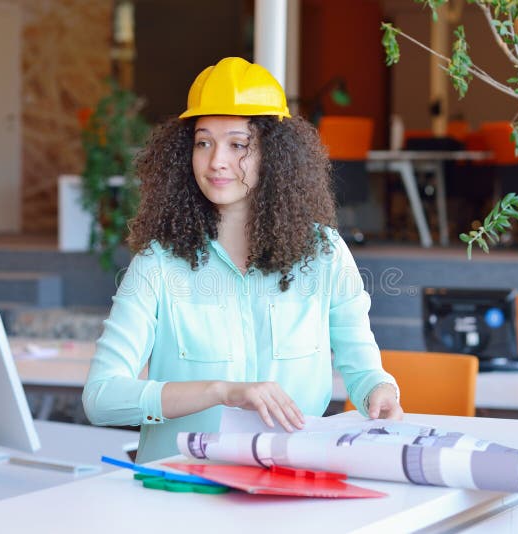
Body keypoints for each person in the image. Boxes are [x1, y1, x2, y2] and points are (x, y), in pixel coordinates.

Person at [82, 57, 403, 463]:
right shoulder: (157, 263)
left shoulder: (324, 253)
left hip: (286, 479)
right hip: (180, 487)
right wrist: (222, 391)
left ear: (274, 155)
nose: (216, 160)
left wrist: (380, 392)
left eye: (237, 144)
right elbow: (101, 397)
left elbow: (363, 368)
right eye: (203, 142)